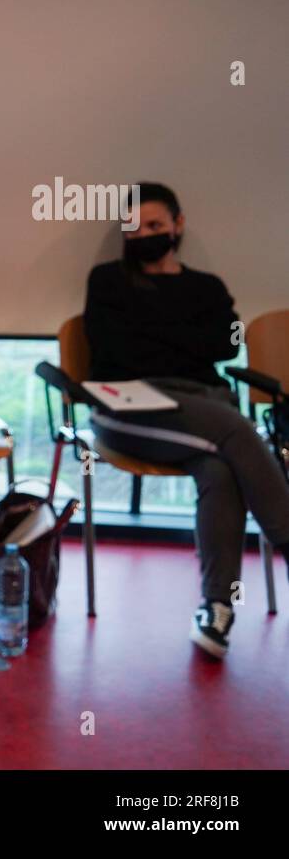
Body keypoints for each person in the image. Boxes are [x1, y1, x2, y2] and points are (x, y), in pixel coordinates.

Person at [84, 182, 289, 659]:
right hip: (125, 404)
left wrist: (156, 334)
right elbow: (117, 351)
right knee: (236, 429)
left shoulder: (207, 287)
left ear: (178, 225)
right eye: (135, 228)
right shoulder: (108, 281)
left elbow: (223, 345)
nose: (146, 235)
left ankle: (216, 610)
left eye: (156, 225)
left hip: (202, 409)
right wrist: (184, 337)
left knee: (219, 468)